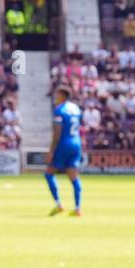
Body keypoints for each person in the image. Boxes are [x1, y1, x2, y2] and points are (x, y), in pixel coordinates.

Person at [45, 86, 83, 216]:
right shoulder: (75, 108)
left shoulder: (59, 110)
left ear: (62, 95)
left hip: (63, 144)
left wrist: (51, 151)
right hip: (76, 143)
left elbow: (57, 133)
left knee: (49, 173)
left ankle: (58, 204)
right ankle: (78, 208)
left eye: (57, 95)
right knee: (74, 176)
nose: (55, 98)